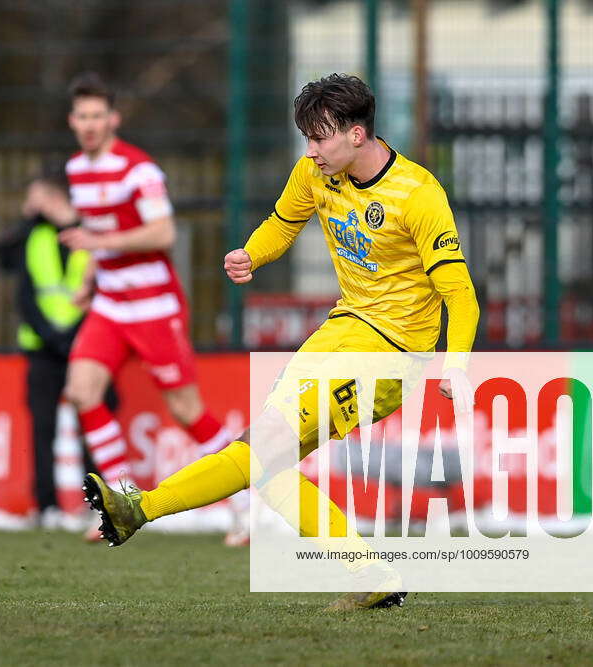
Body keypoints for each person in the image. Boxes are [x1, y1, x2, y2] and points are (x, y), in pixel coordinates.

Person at [81, 74, 480, 609]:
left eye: (320, 139)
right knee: (266, 465)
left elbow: (461, 292)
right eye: (307, 140)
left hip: (390, 355)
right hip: (341, 330)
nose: (310, 151)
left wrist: (456, 364)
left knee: (263, 446)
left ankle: (139, 510)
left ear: (357, 134)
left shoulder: (418, 194)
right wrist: (253, 253)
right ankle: (371, 573)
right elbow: (282, 221)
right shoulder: (316, 174)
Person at [26, 72, 233, 513]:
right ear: (72, 121)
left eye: (98, 115)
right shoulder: (76, 170)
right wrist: (88, 282)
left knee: (186, 410)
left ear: (113, 119)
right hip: (110, 307)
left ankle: (246, 501)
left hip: (154, 305)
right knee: (82, 391)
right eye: (82, 116)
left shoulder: (139, 169)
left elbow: (163, 233)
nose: (90, 124)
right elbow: (98, 235)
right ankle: (122, 502)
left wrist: (98, 244)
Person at [0, 172, 112, 531]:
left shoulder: (93, 235)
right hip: (42, 348)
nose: (30, 203)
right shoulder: (33, 235)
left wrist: (73, 335)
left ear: (53, 195)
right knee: (43, 428)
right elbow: (22, 290)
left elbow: (104, 286)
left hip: (88, 344)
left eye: (35, 196)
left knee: (95, 421)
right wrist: (53, 336)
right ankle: (47, 506)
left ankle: (99, 504)